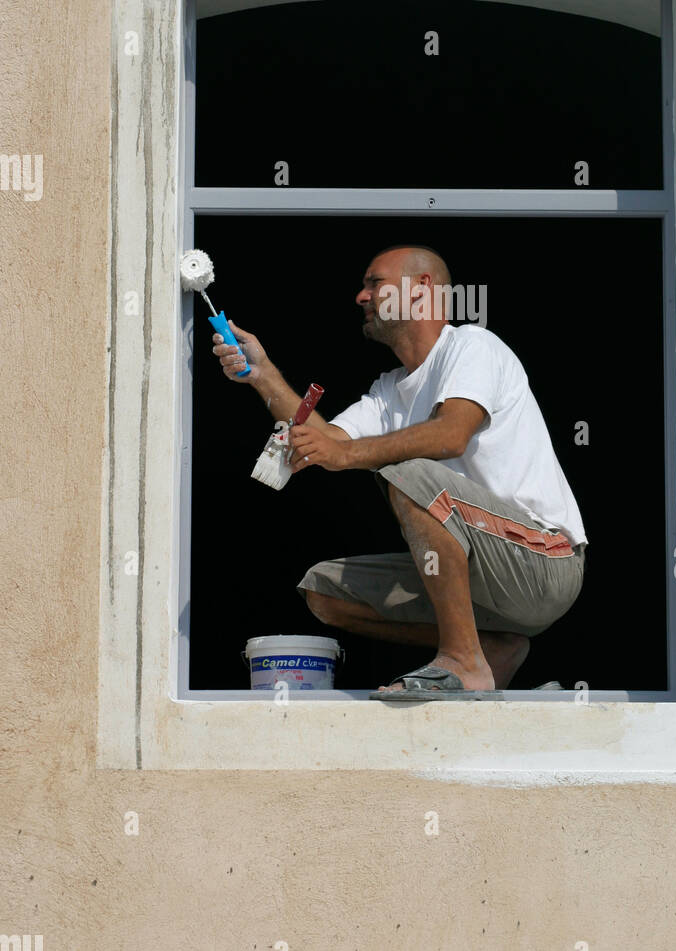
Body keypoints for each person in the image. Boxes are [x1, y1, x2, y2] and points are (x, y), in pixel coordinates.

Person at [212, 245, 587, 699]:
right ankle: (487, 649)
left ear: (422, 289)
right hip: (487, 586)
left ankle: (462, 663)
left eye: (375, 283)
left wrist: (344, 454)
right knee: (325, 591)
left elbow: (450, 435)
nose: (361, 296)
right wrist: (263, 374)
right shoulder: (388, 389)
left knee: (407, 473)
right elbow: (331, 437)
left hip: (544, 563)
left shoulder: (473, 346)